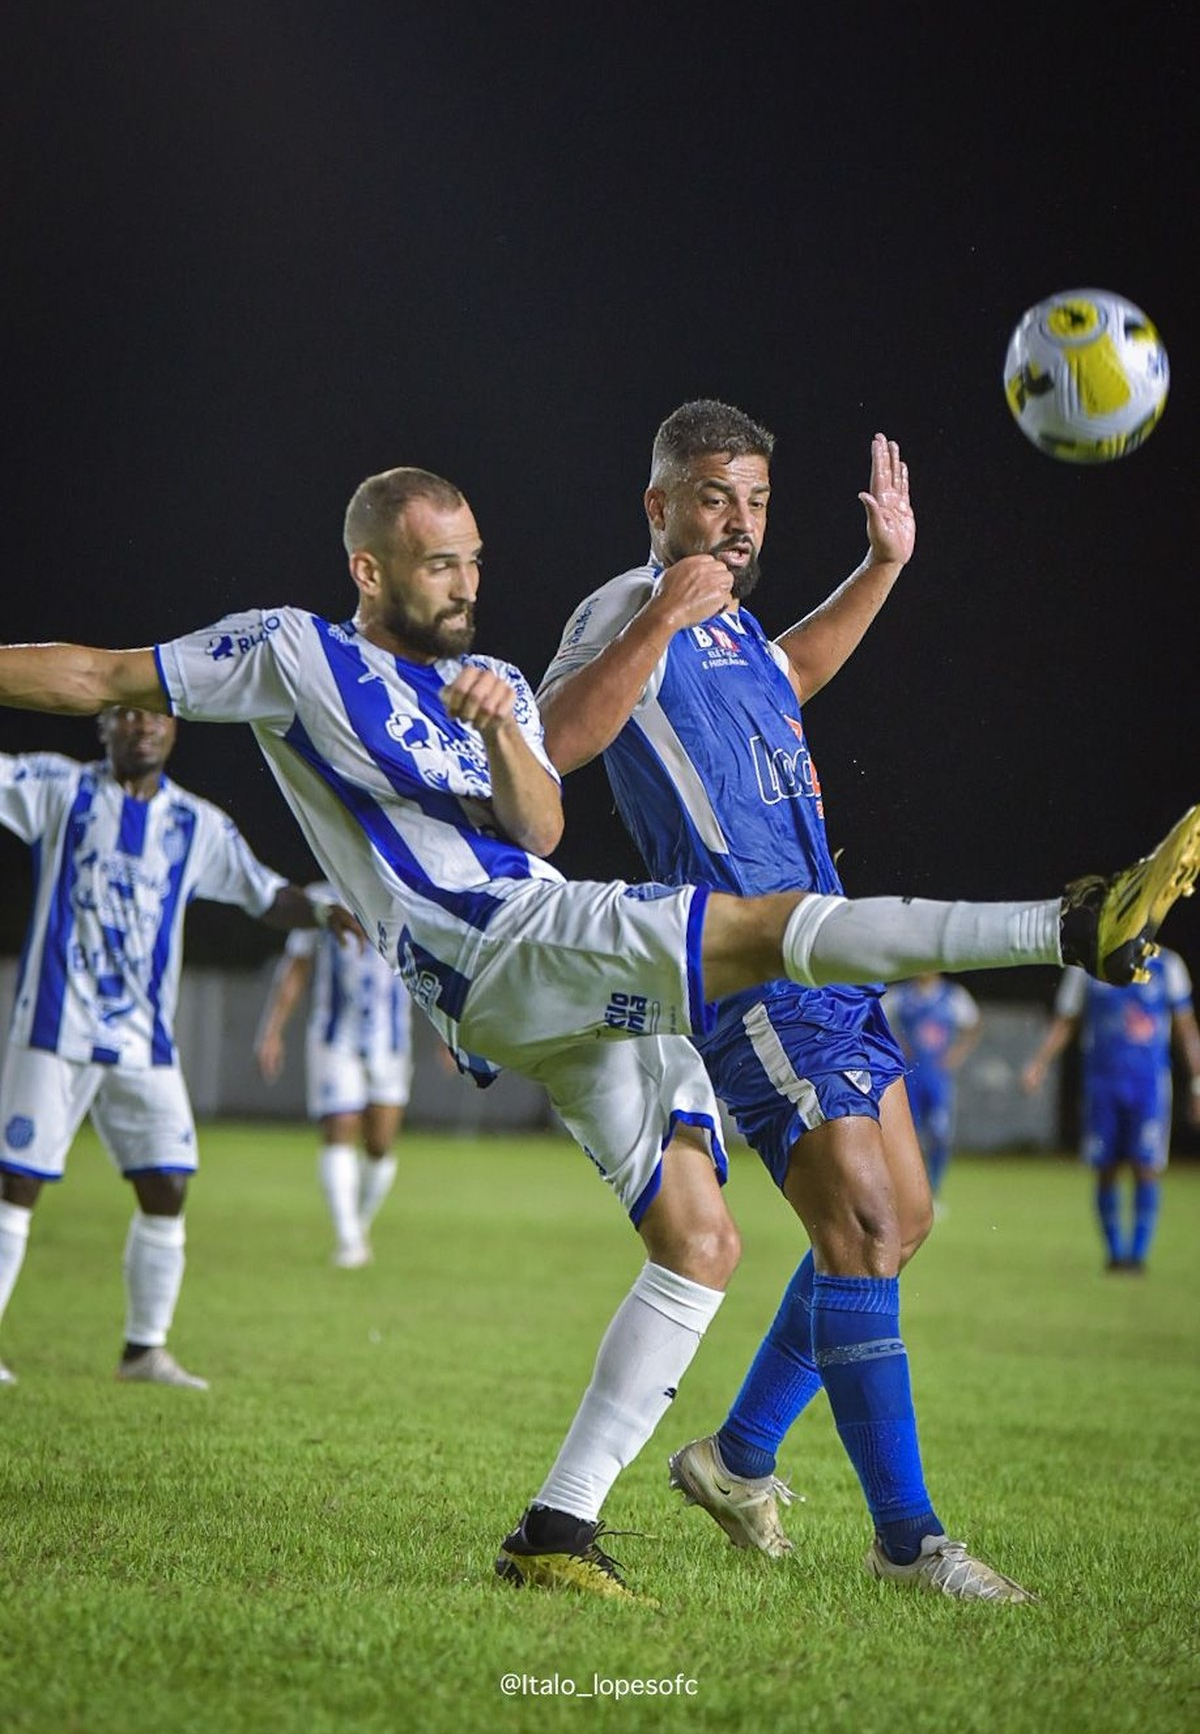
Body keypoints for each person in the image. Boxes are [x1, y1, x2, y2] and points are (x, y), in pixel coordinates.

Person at [0, 467, 1194, 1603]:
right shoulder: (292, 651)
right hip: (498, 942)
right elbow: (101, 674)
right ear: (368, 569)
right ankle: (1068, 922)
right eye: (435, 566)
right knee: (767, 934)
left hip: (533, 961)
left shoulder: (500, 681)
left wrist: (501, 732)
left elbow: (543, 817)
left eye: (472, 562)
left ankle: (558, 1530)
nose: (464, 585)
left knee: (703, 1239)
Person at [535, 399, 1183, 1603]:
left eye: (758, 503)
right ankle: (908, 1542)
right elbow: (553, 742)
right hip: (750, 965)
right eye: (714, 498)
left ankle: (735, 1458)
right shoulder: (627, 608)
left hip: (829, 948)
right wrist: (661, 613)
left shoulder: (735, 638)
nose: (736, 525)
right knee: (865, 1231)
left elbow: (793, 673)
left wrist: (881, 566)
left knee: (905, 1220)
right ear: (658, 504)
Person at [0, 707, 357, 1388]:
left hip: (145, 1041)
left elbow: (262, 892)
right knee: (15, 1182)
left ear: (175, 731)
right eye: (126, 714)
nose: (142, 726)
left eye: (156, 715)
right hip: (55, 1028)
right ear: (102, 727)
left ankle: (144, 1352)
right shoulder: (61, 789)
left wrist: (317, 909)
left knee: (166, 1183)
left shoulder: (196, 824)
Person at [256, 879, 414, 1268]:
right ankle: (348, 1239)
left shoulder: (406, 895)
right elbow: (296, 968)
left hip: (389, 1039)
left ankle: (356, 1226)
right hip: (333, 1037)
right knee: (339, 1126)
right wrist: (272, 1030)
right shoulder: (321, 899)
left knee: (379, 1144)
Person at [1021, 949, 1200, 1272]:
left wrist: (1197, 1081)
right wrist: (1039, 1063)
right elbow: (1066, 1020)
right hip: (1102, 1084)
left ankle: (1139, 1254)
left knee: (1146, 1165)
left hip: (1150, 1085)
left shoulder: (1168, 965)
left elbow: (1185, 1026)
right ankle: (1116, 1254)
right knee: (1106, 1167)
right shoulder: (1089, 966)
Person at [885, 974, 983, 1202]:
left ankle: (933, 1190)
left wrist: (957, 1054)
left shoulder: (953, 996)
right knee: (908, 1138)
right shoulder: (900, 995)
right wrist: (895, 1046)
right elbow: (874, 1018)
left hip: (938, 1079)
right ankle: (910, 1193)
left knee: (940, 1135)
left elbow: (974, 1026)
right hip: (908, 1079)